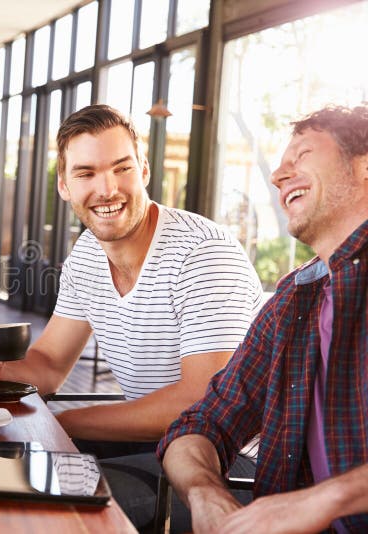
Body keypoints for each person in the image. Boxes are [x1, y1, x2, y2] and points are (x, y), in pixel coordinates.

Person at [0, 104, 262, 530]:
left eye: (120, 168)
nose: (107, 190)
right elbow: (48, 365)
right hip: (158, 443)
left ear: (143, 170)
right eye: (86, 173)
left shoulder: (202, 255)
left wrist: (61, 424)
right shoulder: (87, 255)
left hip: (230, 467)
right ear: (64, 186)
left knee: (41, 504)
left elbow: (200, 401)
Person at [159, 105, 368, 533]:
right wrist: (206, 495)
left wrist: (325, 500)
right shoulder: (293, 302)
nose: (277, 175)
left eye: (303, 154)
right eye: (279, 164)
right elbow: (202, 423)